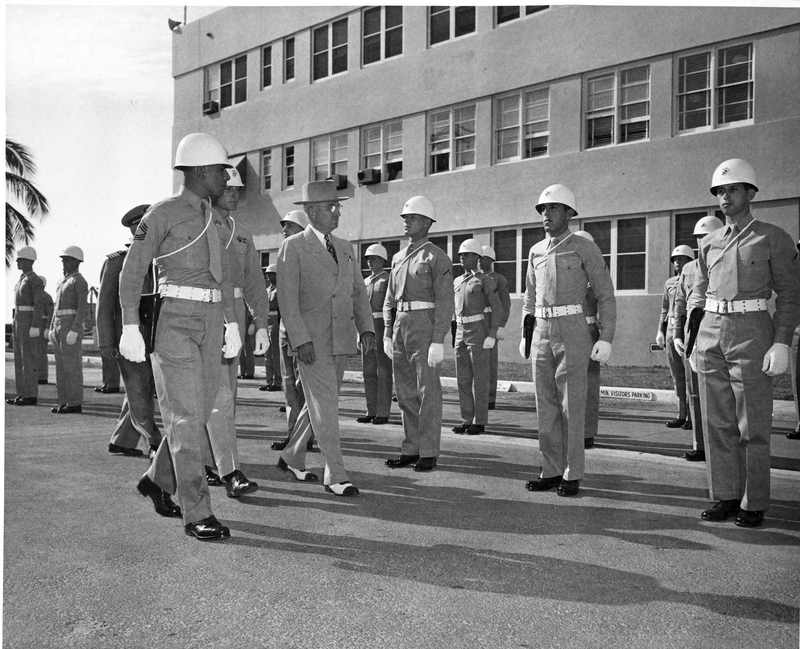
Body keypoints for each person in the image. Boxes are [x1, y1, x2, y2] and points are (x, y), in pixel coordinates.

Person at [118, 132, 241, 541]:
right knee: (186, 419)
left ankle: (156, 479)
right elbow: (132, 272)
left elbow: (221, 277)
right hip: (175, 321)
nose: (227, 178)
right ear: (202, 171)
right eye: (222, 171)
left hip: (209, 319)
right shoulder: (163, 214)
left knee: (199, 414)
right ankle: (197, 512)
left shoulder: (216, 218)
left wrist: (231, 324)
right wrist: (130, 324)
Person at [685, 159, 800, 527]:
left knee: (752, 424)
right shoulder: (710, 243)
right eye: (719, 191)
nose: (724, 197)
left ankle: (754, 501)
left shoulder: (772, 237)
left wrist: (781, 342)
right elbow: (698, 295)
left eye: (732, 189)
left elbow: (791, 294)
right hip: (711, 334)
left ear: (750, 193)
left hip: (752, 330)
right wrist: (692, 342)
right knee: (716, 422)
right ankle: (726, 495)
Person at [276, 181, 374, 496]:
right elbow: (287, 301)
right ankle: (336, 475)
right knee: (327, 406)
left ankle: (291, 455)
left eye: (338, 206)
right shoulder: (293, 246)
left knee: (320, 405)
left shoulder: (345, 247)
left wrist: (367, 327)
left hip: (341, 339)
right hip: (311, 343)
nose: (338, 211)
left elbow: (358, 291)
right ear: (313, 211)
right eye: (332, 207)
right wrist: (299, 338)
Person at [520, 184, 616, 497]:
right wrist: (526, 334)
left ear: (569, 213)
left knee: (571, 405)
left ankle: (572, 473)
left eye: (553, 209)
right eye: (542, 210)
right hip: (543, 331)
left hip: (573, 328)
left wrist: (607, 336)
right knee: (545, 405)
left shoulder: (583, 247)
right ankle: (551, 469)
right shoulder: (535, 251)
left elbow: (604, 293)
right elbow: (530, 297)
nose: (546, 214)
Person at [204, 165, 269, 497]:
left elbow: (256, 282)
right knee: (220, 397)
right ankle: (229, 470)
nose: (234, 192)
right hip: (211, 313)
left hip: (237, 319)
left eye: (238, 189)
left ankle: (207, 462)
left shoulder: (242, 233)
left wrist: (261, 324)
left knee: (224, 395)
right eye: (228, 187)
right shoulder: (202, 225)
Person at [383, 196, 454, 472]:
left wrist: (438, 339)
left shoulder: (437, 257)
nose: (406, 221)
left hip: (424, 324)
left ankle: (428, 451)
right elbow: (390, 299)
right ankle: (410, 447)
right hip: (401, 324)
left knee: (428, 391)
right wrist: (388, 332)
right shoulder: (398, 257)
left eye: (411, 217)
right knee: (405, 392)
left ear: (427, 222)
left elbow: (445, 301)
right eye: (404, 217)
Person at [97, 204, 164, 458]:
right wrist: (106, 341)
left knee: (142, 390)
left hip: (155, 336)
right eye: (139, 227)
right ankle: (155, 443)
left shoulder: (160, 259)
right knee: (138, 390)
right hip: (127, 338)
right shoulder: (117, 262)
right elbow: (104, 305)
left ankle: (122, 440)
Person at [672, 216, 724, 461]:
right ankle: (700, 445)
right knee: (695, 391)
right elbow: (679, 304)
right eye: (698, 238)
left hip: (719, 330)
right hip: (694, 335)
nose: (702, 241)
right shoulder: (688, 268)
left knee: (720, 395)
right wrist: (676, 335)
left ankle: (721, 449)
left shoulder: (726, 258)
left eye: (705, 236)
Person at [271, 210, 314, 451]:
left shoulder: (309, 256)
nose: (284, 230)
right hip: (285, 326)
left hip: (303, 326)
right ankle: (293, 433)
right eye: (284, 226)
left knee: (303, 383)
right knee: (288, 383)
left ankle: (305, 434)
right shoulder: (285, 255)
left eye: (289, 226)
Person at [452, 238, 503, 435]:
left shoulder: (484, 280)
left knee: (479, 378)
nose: (462, 258)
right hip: (461, 330)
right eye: (461, 255)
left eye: (466, 255)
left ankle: (479, 420)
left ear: (477, 257)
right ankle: (466, 419)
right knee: (462, 378)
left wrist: (492, 334)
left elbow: (497, 308)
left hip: (478, 330)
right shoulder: (457, 281)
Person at [657, 246, 695, 429]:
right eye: (675, 259)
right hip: (671, 329)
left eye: (682, 259)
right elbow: (664, 309)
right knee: (677, 375)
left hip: (686, 329)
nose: (678, 263)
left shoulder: (695, 279)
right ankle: (681, 413)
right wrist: (660, 331)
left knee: (690, 375)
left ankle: (693, 416)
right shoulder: (669, 283)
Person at [50, 246, 89, 414]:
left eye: (66, 259)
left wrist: (75, 328)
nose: (63, 262)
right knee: (61, 366)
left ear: (75, 261)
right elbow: (56, 307)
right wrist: (51, 327)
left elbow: (82, 307)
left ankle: (74, 402)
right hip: (58, 325)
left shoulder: (79, 281)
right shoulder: (61, 281)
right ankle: (64, 401)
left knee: (71, 366)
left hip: (69, 325)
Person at [357, 243, 393, 426]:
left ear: (383, 260)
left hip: (381, 325)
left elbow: (390, 307)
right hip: (368, 327)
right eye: (368, 259)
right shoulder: (365, 281)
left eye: (374, 258)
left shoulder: (387, 279)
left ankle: (383, 412)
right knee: (368, 370)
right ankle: (371, 410)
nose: (370, 262)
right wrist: (360, 332)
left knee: (383, 370)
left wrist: (389, 333)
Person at [573, 230, 601, 450]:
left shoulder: (597, 273)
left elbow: (606, 303)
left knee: (589, 385)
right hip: (568, 329)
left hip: (589, 328)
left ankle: (587, 432)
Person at [7, 246, 45, 406]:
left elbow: (38, 303)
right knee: (19, 359)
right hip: (18, 320)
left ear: (29, 261)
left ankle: (30, 394)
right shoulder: (22, 279)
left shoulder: (34, 280)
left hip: (28, 320)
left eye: (20, 259)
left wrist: (35, 325)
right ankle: (22, 392)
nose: (17, 261)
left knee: (28, 359)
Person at [479, 246, 511, 410]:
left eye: (483, 258)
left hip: (491, 319)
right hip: (475, 321)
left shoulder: (499, 279)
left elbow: (505, 303)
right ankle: (477, 396)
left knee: (490, 361)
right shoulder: (472, 278)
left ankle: (490, 398)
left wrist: (501, 325)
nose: (479, 261)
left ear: (490, 261)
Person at [259, 263, 282, 392]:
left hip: (276, 321)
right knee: (267, 354)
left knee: (275, 354)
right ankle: (269, 380)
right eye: (267, 274)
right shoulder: (268, 290)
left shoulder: (280, 290)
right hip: (267, 321)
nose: (267, 276)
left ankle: (277, 382)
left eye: (270, 274)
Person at [37, 277, 54, 385]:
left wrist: (48, 328)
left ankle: (42, 377)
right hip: (34, 326)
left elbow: (50, 313)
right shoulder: (33, 296)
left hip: (42, 326)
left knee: (41, 353)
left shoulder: (46, 297)